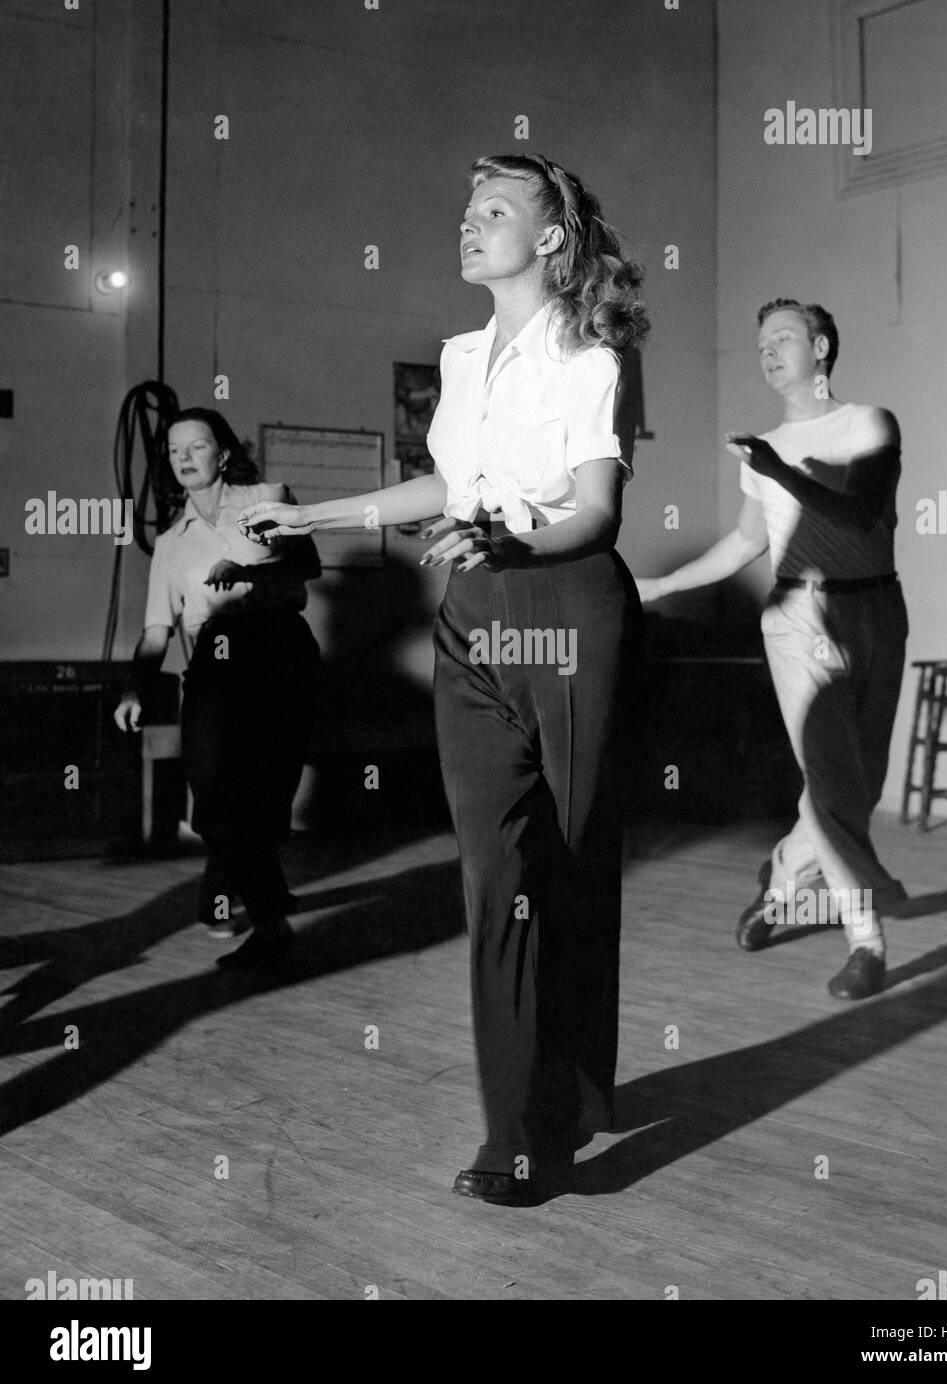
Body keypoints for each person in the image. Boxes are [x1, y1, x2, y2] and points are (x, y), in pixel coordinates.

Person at [238, 153, 648, 1204]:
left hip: (565, 615)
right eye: (464, 212)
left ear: (550, 237)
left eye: (495, 211)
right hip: (472, 619)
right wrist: (311, 514)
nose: (468, 227)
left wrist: (505, 537)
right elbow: (444, 483)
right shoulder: (460, 354)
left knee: (565, 866)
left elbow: (596, 512)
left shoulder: (590, 352)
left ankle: (576, 1087)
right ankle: (520, 1135)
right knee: (496, 880)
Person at [637, 299, 908, 1001]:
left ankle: (783, 880)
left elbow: (858, 513)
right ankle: (866, 943)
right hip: (797, 617)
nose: (767, 349)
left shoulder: (870, 423)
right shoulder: (759, 452)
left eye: (783, 336)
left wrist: (776, 467)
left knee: (856, 787)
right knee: (831, 780)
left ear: (821, 348)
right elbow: (746, 542)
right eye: (760, 342)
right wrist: (662, 583)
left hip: (877, 609)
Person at [114, 407, 321, 970]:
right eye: (175, 449)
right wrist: (134, 689)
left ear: (223, 453)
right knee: (211, 792)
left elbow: (307, 563)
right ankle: (253, 903)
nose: (183, 457)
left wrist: (248, 571)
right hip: (214, 663)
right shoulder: (171, 541)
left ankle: (258, 916)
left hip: (278, 651)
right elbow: (158, 627)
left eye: (197, 446)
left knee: (264, 797)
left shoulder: (267, 497)